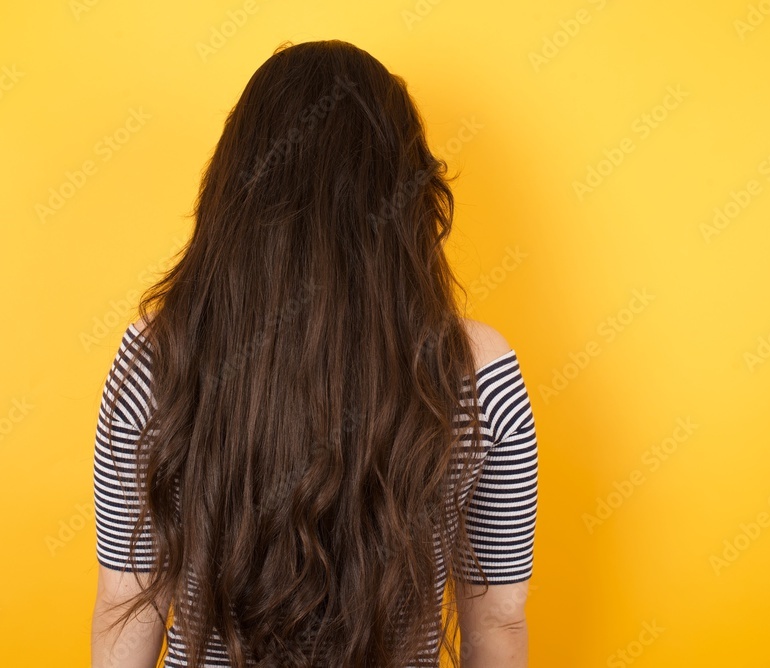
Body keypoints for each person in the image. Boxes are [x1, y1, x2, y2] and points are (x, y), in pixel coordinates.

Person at [90, 39, 537, 668]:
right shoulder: (480, 372)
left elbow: (126, 601)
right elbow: (499, 618)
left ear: (235, 188)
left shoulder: (157, 357)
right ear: (405, 197)